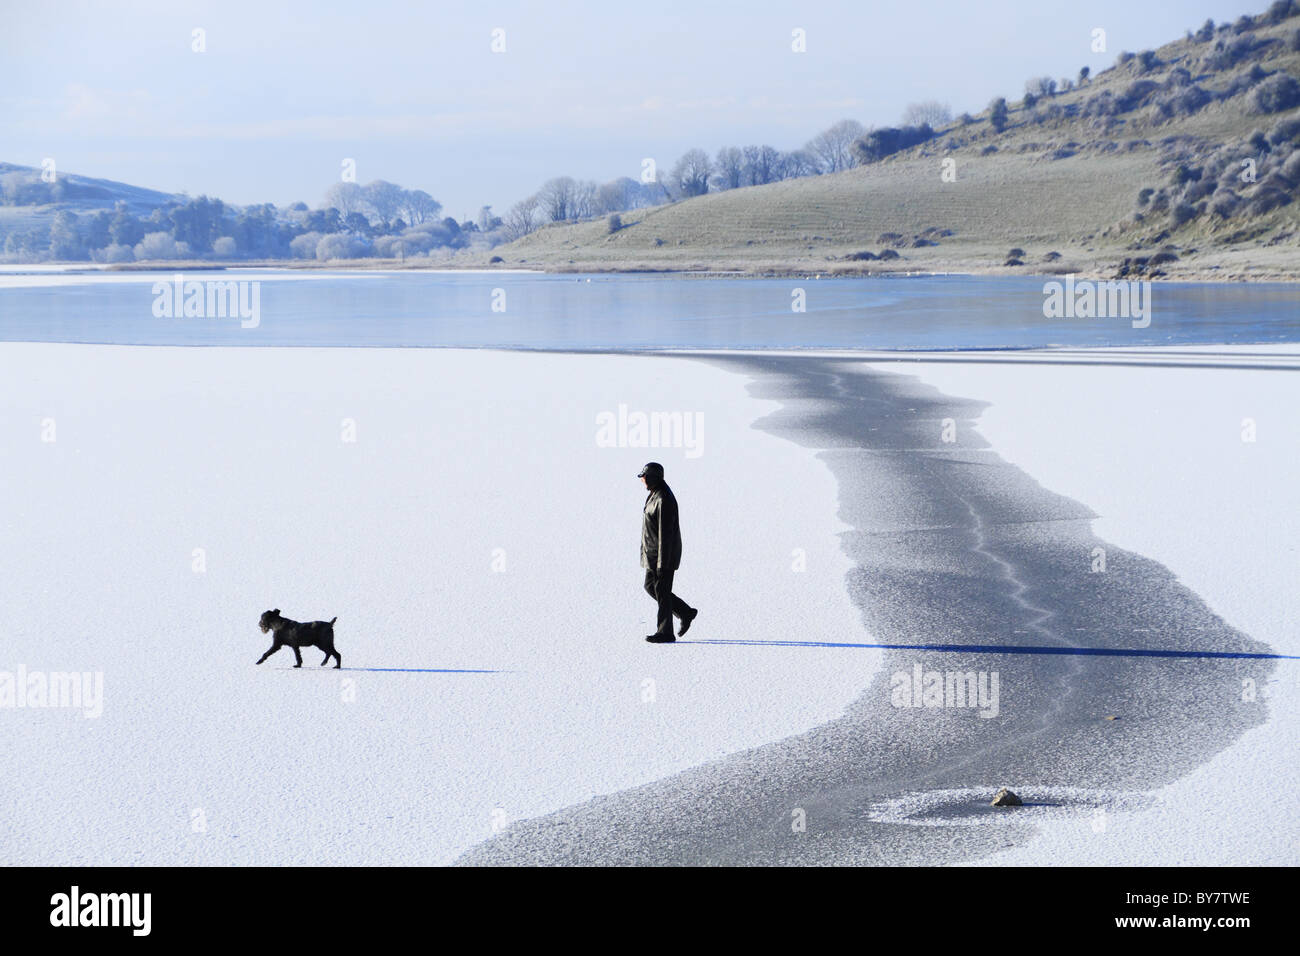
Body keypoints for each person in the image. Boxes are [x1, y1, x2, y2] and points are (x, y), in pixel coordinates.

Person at [638, 462, 697, 643]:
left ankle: (665, 632)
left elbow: (666, 534)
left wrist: (663, 563)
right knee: (651, 586)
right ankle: (685, 612)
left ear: (653, 477)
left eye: (644, 477)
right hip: (653, 554)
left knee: (662, 590)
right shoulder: (654, 494)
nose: (642, 480)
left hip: (663, 556)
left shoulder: (663, 498)